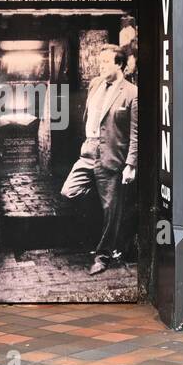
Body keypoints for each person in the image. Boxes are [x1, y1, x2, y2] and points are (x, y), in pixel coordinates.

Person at [60, 44, 137, 275]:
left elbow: (136, 133)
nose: (100, 66)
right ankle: (104, 209)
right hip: (88, 151)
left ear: (119, 64)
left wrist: (131, 164)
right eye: (99, 61)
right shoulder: (94, 85)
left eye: (105, 62)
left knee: (111, 211)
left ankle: (102, 257)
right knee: (69, 191)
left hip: (112, 156)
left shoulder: (131, 92)